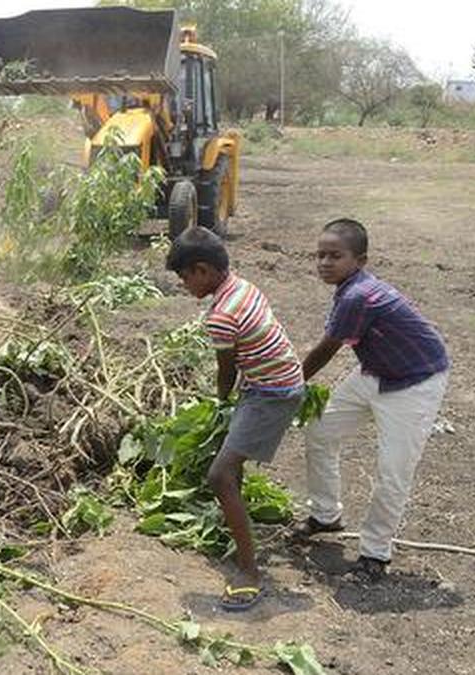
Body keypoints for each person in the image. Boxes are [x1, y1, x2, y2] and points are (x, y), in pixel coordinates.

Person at [296, 218, 450, 582]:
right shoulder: (350, 290)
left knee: (393, 473)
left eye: (335, 256)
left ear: (360, 260)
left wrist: (288, 384)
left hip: (416, 382)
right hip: (375, 373)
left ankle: (375, 555)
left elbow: (326, 350)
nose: (324, 263)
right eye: (320, 255)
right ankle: (326, 515)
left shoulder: (357, 295)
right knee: (320, 429)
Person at [166, 227, 305, 611]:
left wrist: (219, 399)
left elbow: (225, 371)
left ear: (203, 270)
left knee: (219, 475)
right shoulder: (243, 287)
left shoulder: (221, 315)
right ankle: (239, 537)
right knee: (230, 467)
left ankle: (249, 572)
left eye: (184, 277)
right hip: (275, 381)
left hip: (272, 393)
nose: (184, 285)